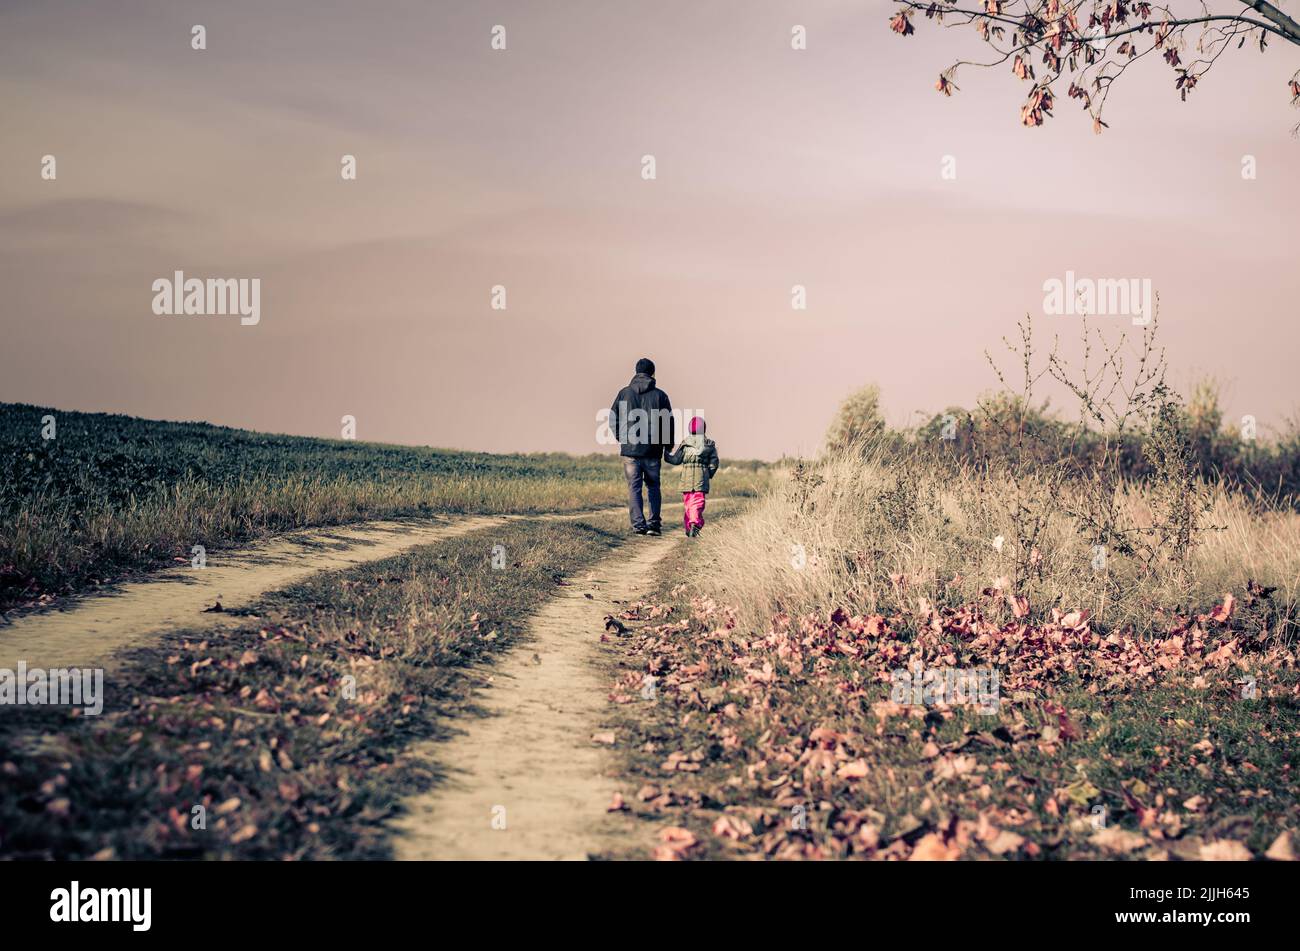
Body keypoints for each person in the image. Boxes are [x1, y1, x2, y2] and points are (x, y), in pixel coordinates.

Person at [610, 357, 674, 535]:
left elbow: (612, 418)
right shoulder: (661, 395)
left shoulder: (624, 393)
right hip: (653, 450)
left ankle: (638, 525)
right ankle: (653, 525)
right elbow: (668, 422)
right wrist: (668, 445)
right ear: (653, 373)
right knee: (653, 487)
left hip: (630, 450)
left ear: (636, 372)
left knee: (634, 487)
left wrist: (622, 437)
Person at [664, 416, 719, 537]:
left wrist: (666, 455)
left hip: (686, 480)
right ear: (703, 429)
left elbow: (676, 460)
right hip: (701, 478)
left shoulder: (685, 444)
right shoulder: (709, 445)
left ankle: (689, 526)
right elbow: (714, 463)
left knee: (689, 504)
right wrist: (708, 474)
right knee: (698, 503)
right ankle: (695, 524)